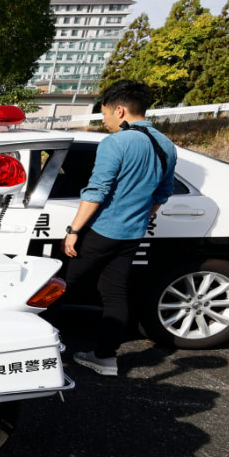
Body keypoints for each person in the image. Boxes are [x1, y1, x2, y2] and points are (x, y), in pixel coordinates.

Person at [63, 80, 176, 376]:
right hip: (133, 234)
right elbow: (162, 195)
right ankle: (106, 358)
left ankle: (45, 350)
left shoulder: (116, 143)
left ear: (121, 110)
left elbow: (96, 191)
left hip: (102, 231)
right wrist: (136, 216)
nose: (106, 122)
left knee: (61, 286)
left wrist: (74, 230)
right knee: (115, 295)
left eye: (106, 115)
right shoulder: (166, 145)